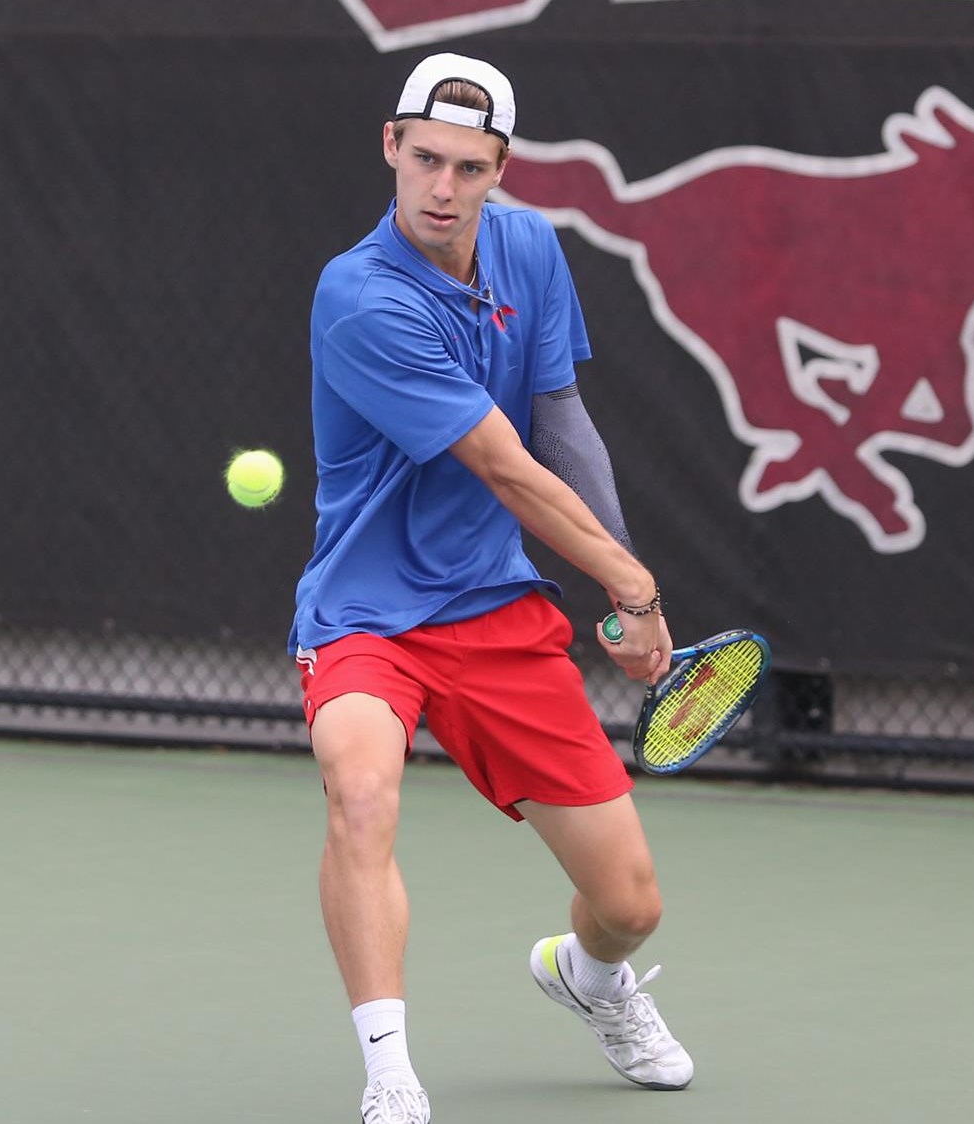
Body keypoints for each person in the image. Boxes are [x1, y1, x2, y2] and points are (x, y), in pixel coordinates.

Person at [290, 52, 694, 1123]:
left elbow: (561, 424)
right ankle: (388, 1071)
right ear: (389, 144)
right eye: (423, 159)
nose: (440, 188)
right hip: (367, 613)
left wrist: (621, 592)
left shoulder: (527, 249)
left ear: (500, 169)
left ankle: (590, 977)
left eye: (468, 168)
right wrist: (631, 580)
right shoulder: (359, 294)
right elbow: (507, 465)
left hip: (491, 607)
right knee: (360, 790)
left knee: (628, 900)